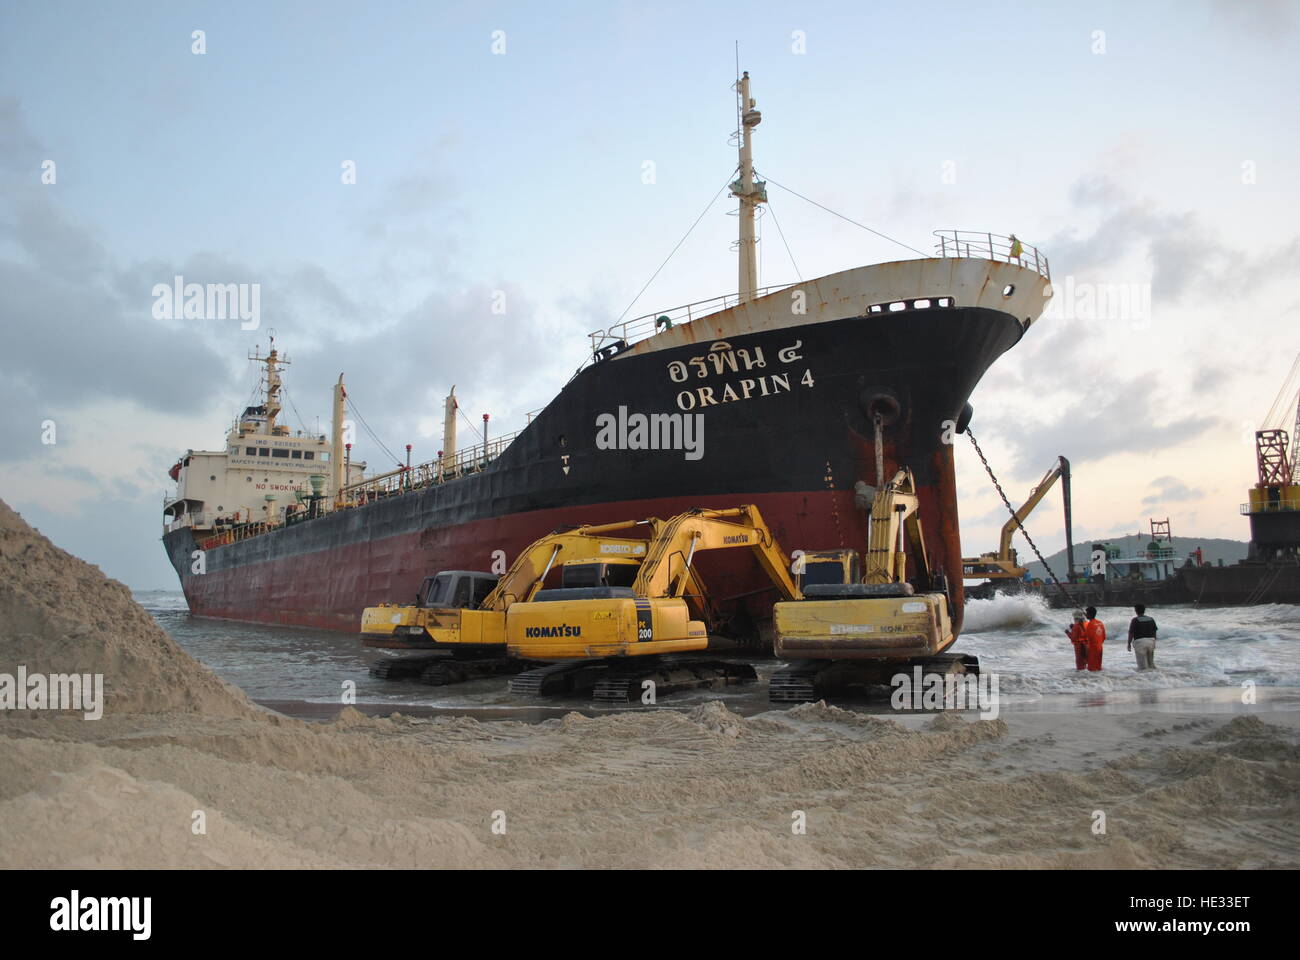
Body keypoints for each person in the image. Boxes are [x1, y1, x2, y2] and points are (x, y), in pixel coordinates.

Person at [1127, 604, 1158, 670]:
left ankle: (1144, 678)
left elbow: (1131, 633)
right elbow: (1154, 631)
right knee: (1151, 664)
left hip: (1140, 642)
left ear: (1136, 611)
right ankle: (1155, 678)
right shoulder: (1151, 619)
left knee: (1142, 667)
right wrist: (1154, 641)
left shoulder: (1135, 620)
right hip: (1151, 641)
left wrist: (1129, 643)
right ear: (1144, 610)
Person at [1083, 605, 1106, 671]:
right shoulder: (1100, 623)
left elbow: (1086, 639)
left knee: (1092, 669)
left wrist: (1085, 654)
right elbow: (1104, 637)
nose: (1086, 615)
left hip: (1092, 649)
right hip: (1100, 648)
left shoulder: (1090, 624)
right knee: (1098, 668)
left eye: (1087, 613)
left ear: (1089, 614)